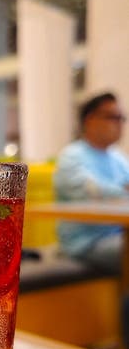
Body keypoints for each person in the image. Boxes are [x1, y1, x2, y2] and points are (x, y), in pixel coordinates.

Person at [54, 92, 129, 273]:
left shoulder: (118, 158)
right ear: (90, 120)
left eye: (122, 118)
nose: (119, 124)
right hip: (86, 243)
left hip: (118, 236)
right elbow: (94, 192)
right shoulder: (71, 156)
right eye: (112, 117)